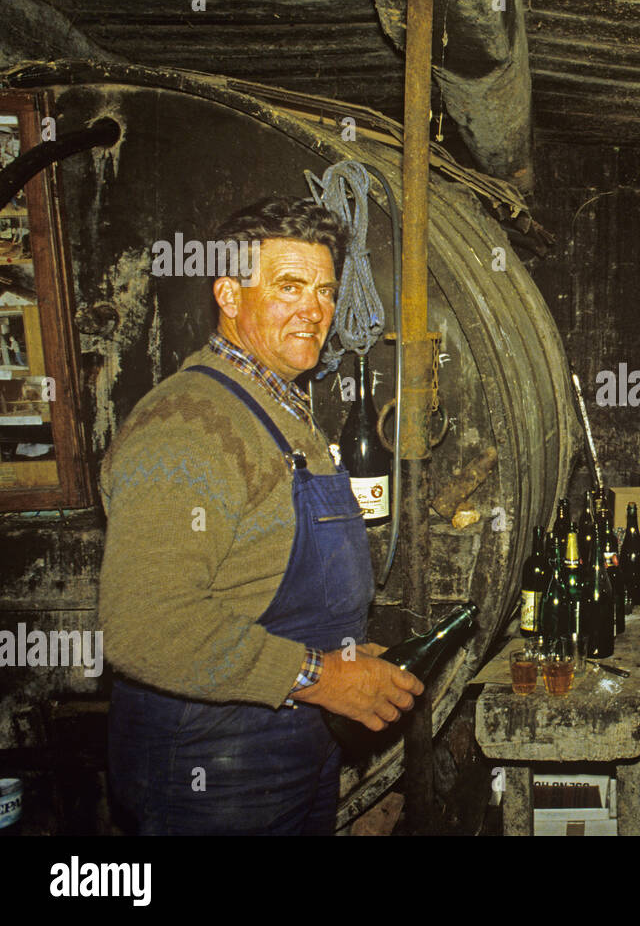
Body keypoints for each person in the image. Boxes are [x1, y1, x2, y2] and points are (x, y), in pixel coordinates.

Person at [99, 196, 420, 835]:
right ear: (229, 294)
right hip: (210, 772)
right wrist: (322, 675)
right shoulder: (187, 427)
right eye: (289, 287)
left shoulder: (279, 412)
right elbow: (144, 623)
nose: (315, 310)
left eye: (325, 290)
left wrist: (346, 658)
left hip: (289, 751)